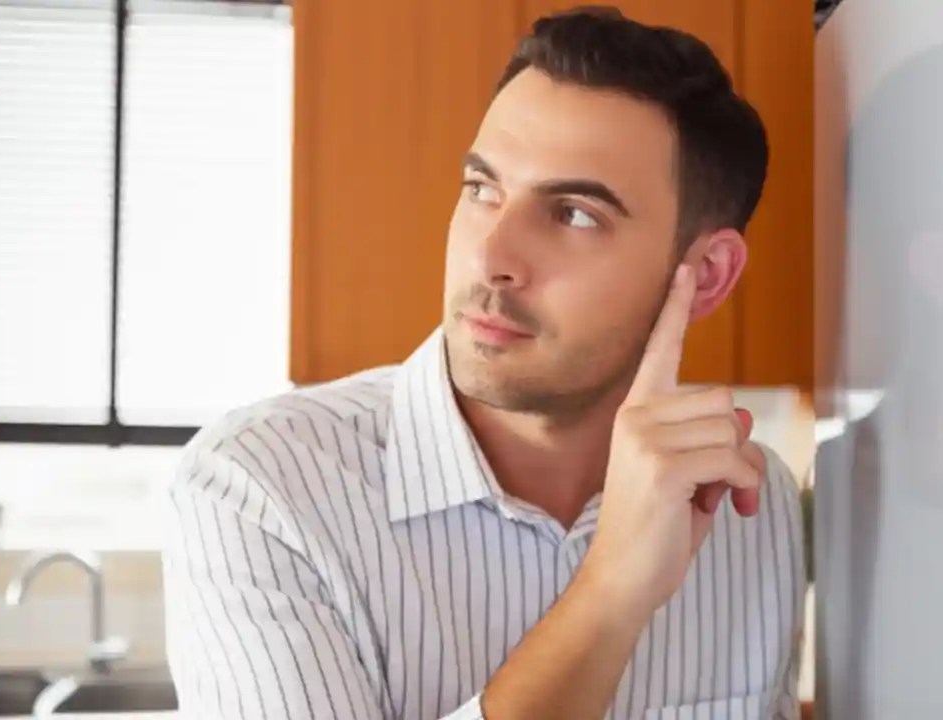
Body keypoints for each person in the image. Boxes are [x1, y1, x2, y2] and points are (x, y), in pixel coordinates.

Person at [161, 6, 804, 719]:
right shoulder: (259, 488)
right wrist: (612, 591)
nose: (491, 256)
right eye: (482, 190)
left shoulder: (747, 500)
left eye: (574, 215)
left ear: (707, 274)